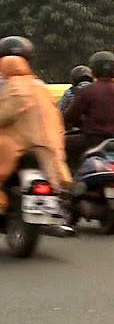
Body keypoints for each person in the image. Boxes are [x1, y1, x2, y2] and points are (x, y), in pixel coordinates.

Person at [0, 55, 72, 210]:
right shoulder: (40, 87)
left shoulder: (14, 86)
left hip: (22, 141)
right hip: (50, 142)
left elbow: (6, 112)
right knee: (57, 176)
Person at [62, 51, 114, 173]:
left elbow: (70, 117)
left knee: (61, 144)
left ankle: (71, 180)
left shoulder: (87, 91)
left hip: (92, 141)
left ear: (94, 69)